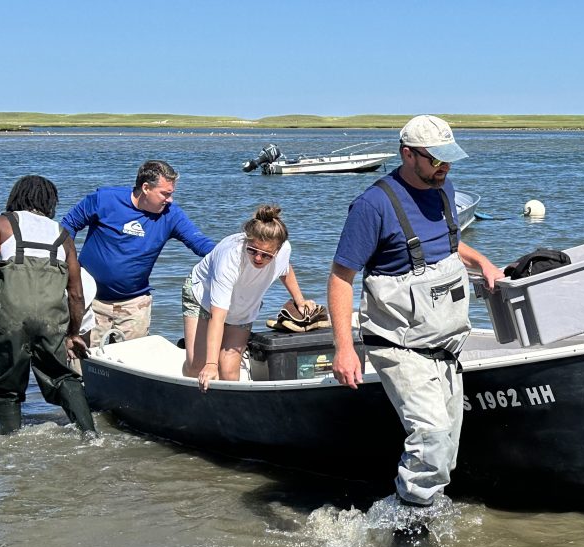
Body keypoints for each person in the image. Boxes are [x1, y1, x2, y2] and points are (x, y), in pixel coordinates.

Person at [328, 115, 504, 511]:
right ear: (408, 155)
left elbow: (449, 246)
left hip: (445, 346)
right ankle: (404, 534)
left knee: (446, 454)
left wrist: (484, 263)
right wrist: (343, 348)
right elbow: (341, 278)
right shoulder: (372, 205)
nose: (444, 167)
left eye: (448, 160)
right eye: (436, 160)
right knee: (431, 440)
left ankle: (408, 518)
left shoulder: (444, 190)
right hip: (399, 345)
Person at [61, 160, 216, 345]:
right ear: (146, 188)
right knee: (80, 362)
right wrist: (68, 266)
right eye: (165, 194)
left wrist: (230, 254)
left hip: (134, 305)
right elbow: (67, 226)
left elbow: (199, 243)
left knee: (129, 363)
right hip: (89, 300)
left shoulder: (171, 215)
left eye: (171, 194)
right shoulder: (104, 199)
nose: (170, 200)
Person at [0, 175, 95, 434]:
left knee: (6, 386)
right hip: (52, 319)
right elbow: (75, 293)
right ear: (50, 202)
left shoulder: (3, 224)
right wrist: (73, 333)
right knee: (62, 375)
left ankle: (11, 441)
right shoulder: (62, 235)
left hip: (10, 317)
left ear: (16, 196)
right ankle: (90, 433)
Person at [182, 204, 312, 392]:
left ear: (278, 250)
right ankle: (187, 375)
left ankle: (227, 412)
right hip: (202, 297)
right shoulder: (230, 256)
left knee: (228, 370)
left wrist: (299, 300)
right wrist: (210, 364)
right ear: (247, 241)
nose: (258, 258)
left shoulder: (284, 250)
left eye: (266, 255)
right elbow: (217, 317)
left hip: (244, 305)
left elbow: (285, 269)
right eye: (253, 250)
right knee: (198, 366)